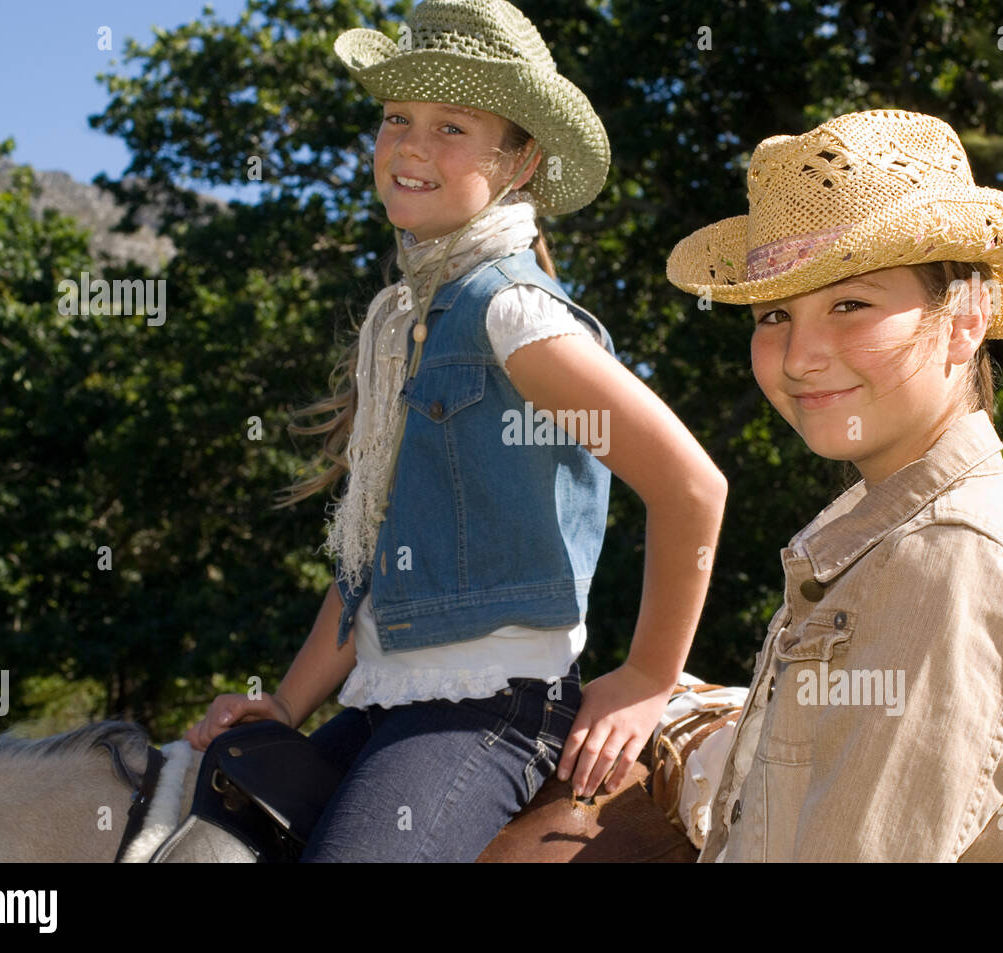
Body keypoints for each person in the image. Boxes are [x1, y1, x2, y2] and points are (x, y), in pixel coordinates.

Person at [185, 0, 727, 863]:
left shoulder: (512, 315)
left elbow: (692, 486)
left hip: (490, 706)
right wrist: (286, 706)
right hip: (382, 702)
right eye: (397, 117)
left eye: (451, 126)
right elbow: (369, 561)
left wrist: (647, 676)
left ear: (521, 161)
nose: (408, 144)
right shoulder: (405, 320)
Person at [666, 108, 1003, 861]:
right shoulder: (880, 539)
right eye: (774, 314)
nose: (799, 357)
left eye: (850, 304)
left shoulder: (947, 561)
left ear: (964, 321)